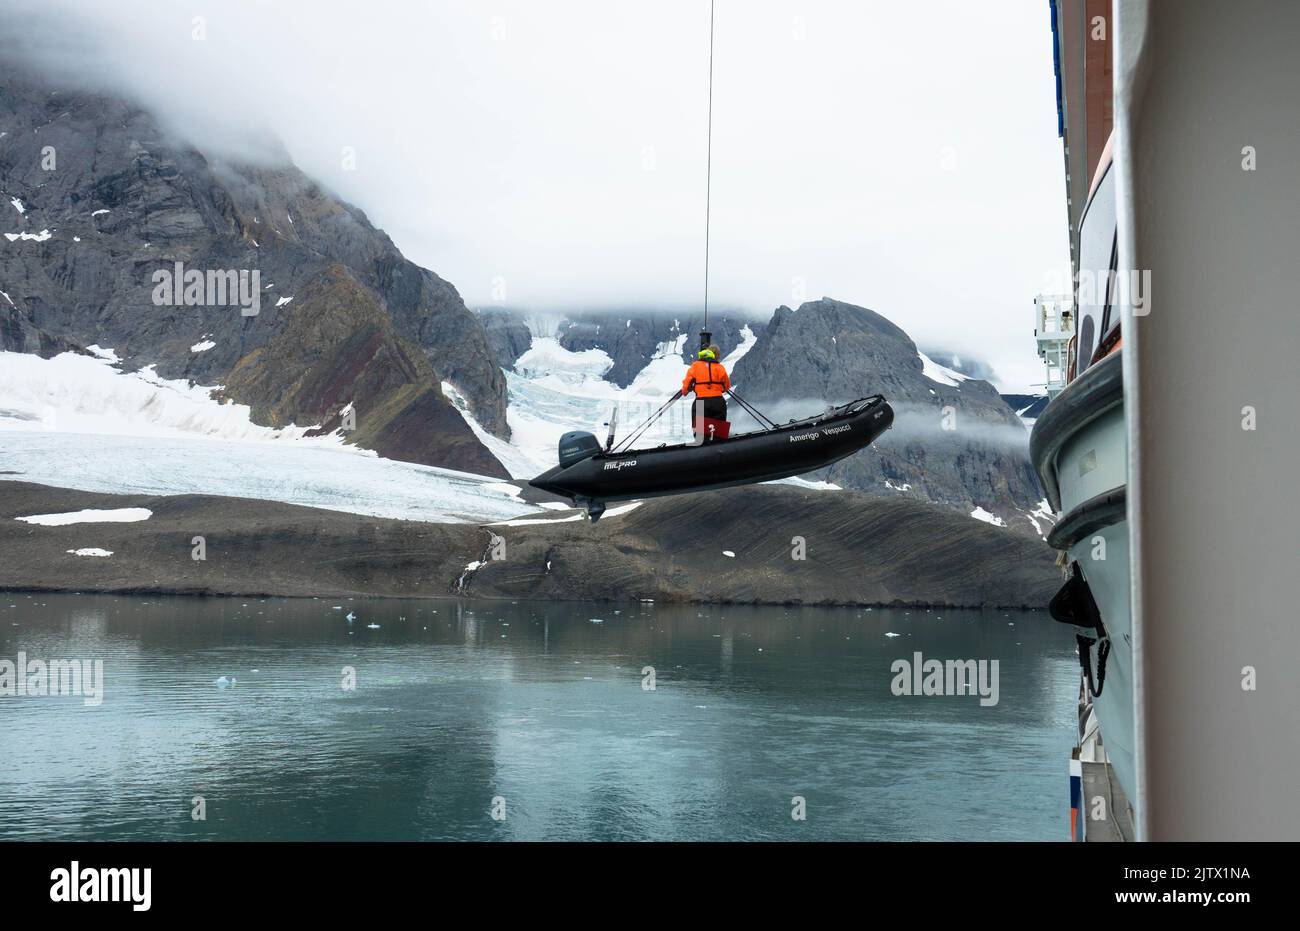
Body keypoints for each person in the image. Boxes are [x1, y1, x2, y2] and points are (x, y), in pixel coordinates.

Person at [681, 344, 730, 440]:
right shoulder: (720, 367)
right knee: (718, 435)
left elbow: (686, 388)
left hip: (701, 403)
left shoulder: (695, 366)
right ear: (716, 355)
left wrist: (686, 390)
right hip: (718, 402)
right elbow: (726, 387)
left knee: (700, 436)